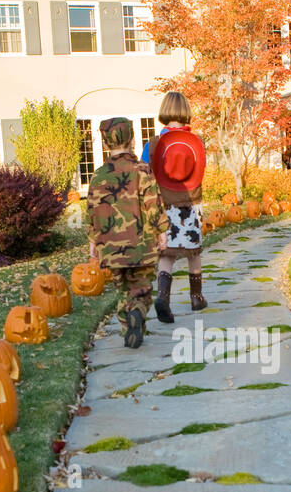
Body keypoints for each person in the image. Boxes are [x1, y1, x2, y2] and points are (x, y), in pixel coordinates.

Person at [86, 117, 169, 349]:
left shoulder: (99, 175)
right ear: (132, 140)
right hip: (140, 243)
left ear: (104, 145)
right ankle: (138, 314)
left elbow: (91, 210)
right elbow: (153, 203)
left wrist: (93, 240)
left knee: (122, 288)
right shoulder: (142, 170)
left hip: (110, 246)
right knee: (141, 286)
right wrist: (162, 231)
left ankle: (128, 327)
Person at [148, 91, 208, 322]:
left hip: (163, 205)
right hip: (190, 205)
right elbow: (200, 171)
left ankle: (163, 296)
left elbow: (145, 172)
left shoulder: (153, 144)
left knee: (167, 254)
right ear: (186, 112)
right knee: (194, 253)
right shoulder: (197, 142)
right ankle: (196, 297)